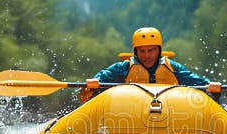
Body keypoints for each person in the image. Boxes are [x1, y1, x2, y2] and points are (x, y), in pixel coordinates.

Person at [80, 26, 218, 102]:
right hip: (130, 114)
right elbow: (103, 76)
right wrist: (92, 86)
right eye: (142, 51)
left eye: (151, 50)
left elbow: (198, 82)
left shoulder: (173, 68)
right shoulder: (123, 68)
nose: (146, 56)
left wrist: (209, 88)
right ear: (135, 52)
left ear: (159, 50)